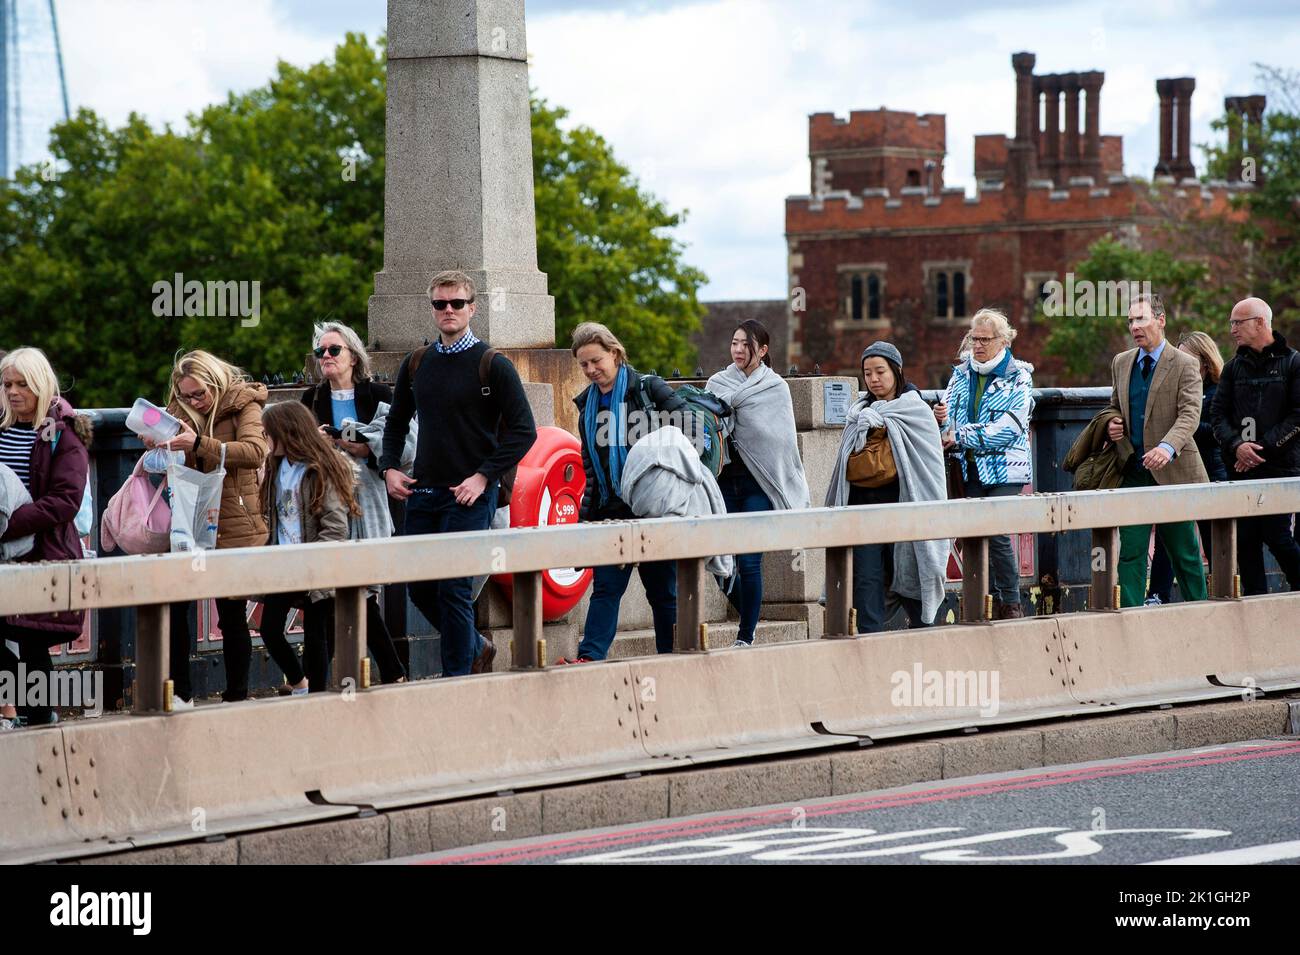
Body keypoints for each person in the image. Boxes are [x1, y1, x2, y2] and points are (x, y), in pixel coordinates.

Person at [379, 270, 536, 678]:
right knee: (419, 586)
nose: (448, 311)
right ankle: (474, 645)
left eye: (457, 304)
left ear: (472, 308)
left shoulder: (493, 364)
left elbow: (524, 430)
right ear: (431, 309)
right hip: (424, 493)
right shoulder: (417, 363)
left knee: (453, 588)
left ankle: (455, 681)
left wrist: (483, 477)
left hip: (471, 494)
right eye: (440, 304)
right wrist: (389, 468)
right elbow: (396, 422)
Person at [142, 350, 268, 706]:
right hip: (189, 518)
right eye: (185, 395)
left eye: (200, 394)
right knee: (177, 607)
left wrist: (198, 443)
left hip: (231, 519)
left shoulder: (244, 403)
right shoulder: (178, 410)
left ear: (216, 382)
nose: (193, 401)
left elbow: (254, 452)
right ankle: (180, 693)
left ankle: (236, 695)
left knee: (230, 612)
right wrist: (157, 441)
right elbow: (171, 455)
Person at [559, 322, 686, 663]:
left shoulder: (647, 388)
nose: (590, 370)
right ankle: (590, 657)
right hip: (610, 512)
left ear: (614, 353)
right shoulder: (587, 404)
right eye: (583, 364)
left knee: (663, 594)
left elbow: (688, 426)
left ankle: (670, 658)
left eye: (596, 361)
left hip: (651, 511)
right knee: (606, 589)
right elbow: (590, 469)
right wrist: (586, 518)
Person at [300, 322, 406, 683]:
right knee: (326, 589)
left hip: (368, 499)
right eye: (320, 352)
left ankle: (320, 681)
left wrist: (362, 446)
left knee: (362, 589)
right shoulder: (310, 399)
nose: (326, 357)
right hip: (326, 504)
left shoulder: (378, 393)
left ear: (353, 356)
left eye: (334, 350)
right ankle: (323, 680)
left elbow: (399, 443)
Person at [827, 342, 949, 631]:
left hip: (904, 506)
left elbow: (928, 467)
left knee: (912, 570)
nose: (874, 379)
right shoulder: (858, 413)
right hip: (862, 506)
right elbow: (843, 461)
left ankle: (925, 634)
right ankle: (872, 642)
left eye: (880, 371)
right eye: (867, 373)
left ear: (896, 371)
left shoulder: (916, 411)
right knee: (866, 576)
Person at [0, 348, 91, 730]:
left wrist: (10, 524)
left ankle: (39, 721)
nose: (14, 392)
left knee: (32, 639)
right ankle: (19, 712)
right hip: (5, 553)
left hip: (41, 551)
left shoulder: (61, 433)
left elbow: (65, 500)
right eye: (7, 384)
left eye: (23, 384)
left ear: (41, 385)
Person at [706, 320, 810, 647]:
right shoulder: (717, 384)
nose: (737, 349)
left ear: (762, 351)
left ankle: (746, 634)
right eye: (734, 343)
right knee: (718, 560)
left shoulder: (775, 388)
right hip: (724, 482)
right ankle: (750, 610)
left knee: (749, 560)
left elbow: (779, 441)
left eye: (745, 344)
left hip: (758, 485)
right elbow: (706, 429)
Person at [1102, 294, 1208, 608]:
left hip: (1173, 472)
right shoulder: (1121, 362)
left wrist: (1167, 447)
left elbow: (1190, 414)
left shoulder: (1185, 364)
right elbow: (1113, 407)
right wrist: (1112, 424)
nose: (1135, 326)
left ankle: (1200, 611)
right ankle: (1132, 617)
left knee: (1184, 552)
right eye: (1131, 321)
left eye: (1141, 319)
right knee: (1131, 551)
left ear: (1160, 320)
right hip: (1133, 471)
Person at [937, 308, 1035, 618]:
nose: (977, 345)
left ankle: (1010, 602)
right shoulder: (960, 375)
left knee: (997, 531)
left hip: (1006, 469)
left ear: (1003, 341)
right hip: (968, 468)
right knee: (971, 533)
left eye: (984, 339)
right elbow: (947, 424)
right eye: (973, 338)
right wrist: (941, 420)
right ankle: (981, 600)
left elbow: (1010, 427)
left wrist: (961, 435)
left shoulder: (1019, 375)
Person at [258, 401, 360, 693]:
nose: (265, 439)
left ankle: (315, 697)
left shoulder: (321, 468)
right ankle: (300, 683)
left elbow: (336, 526)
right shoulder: (276, 465)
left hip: (316, 561)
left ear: (287, 433)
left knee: (317, 636)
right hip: (284, 561)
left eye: (269, 433)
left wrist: (316, 562)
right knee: (269, 629)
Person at [1209, 296, 1300, 595]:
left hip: (1280, 468)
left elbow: (1297, 416)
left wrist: (1261, 449)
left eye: (1238, 322)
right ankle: (1256, 604)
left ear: (1261, 322)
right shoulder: (1234, 368)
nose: (1232, 329)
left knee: (1278, 537)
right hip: (1241, 470)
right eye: (1231, 323)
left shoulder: (1293, 363)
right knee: (1245, 542)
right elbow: (1217, 415)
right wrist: (1236, 446)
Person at [1146, 331, 1227, 604]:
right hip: (1177, 471)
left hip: (1209, 471)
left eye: (1186, 358)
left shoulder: (1218, 392)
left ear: (1204, 363)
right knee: (1169, 536)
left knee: (1214, 538)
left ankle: (1223, 589)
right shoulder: (1173, 387)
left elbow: (1219, 431)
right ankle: (1157, 594)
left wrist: (1180, 431)